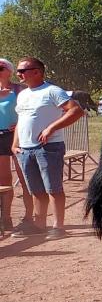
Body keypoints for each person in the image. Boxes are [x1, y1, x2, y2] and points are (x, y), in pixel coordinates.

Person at [11, 57, 84, 239]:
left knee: (53, 188)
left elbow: (76, 110)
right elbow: (21, 121)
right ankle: (39, 225)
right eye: (18, 71)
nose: (18, 74)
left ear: (37, 71)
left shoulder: (52, 91)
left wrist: (52, 128)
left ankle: (58, 227)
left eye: (22, 70)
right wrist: (14, 144)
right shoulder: (22, 94)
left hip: (48, 147)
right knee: (35, 189)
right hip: (25, 149)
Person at [0, 59, 34, 233]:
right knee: (4, 180)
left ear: (9, 71)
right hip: (0, 137)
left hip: (17, 136)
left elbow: (30, 109)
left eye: (0, 68)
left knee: (24, 178)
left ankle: (30, 216)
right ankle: (6, 218)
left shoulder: (19, 90)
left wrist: (19, 122)